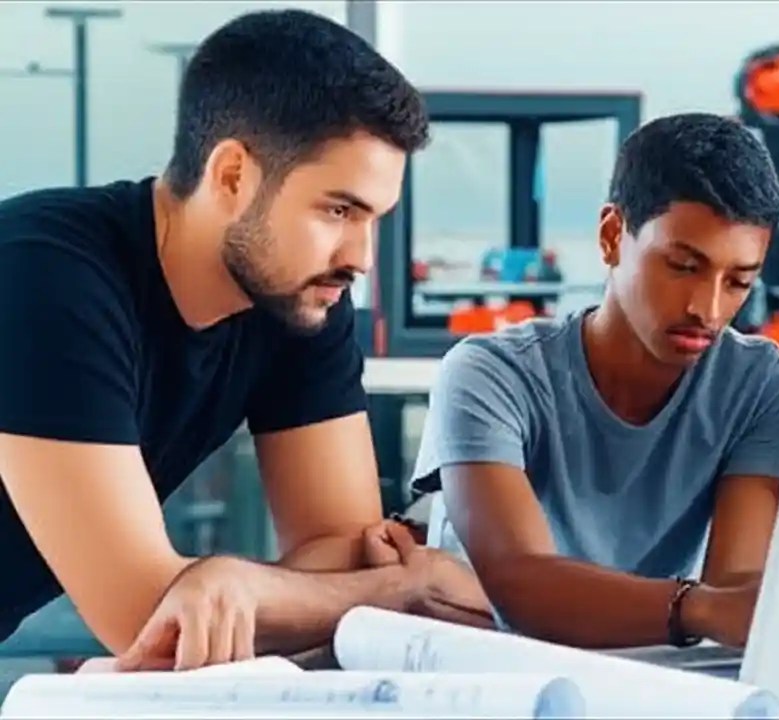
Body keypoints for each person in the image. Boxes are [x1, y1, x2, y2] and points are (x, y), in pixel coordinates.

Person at [0, 9, 484, 672]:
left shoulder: (297, 298)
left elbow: (345, 550)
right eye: (338, 210)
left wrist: (239, 586)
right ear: (232, 175)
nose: (361, 257)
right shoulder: (41, 275)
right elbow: (147, 617)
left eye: (373, 218)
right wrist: (404, 589)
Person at [411, 112, 779, 650]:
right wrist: (698, 608)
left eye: (738, 281)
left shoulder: (760, 386)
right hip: (499, 673)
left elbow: (738, 596)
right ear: (612, 236)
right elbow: (521, 585)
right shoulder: (488, 374)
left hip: (663, 677)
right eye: (682, 266)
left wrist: (719, 610)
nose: (708, 309)